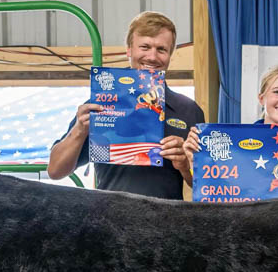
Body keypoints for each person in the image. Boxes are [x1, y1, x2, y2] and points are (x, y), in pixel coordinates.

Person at [46, 11, 203, 199]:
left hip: (165, 224)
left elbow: (205, 186)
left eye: (161, 49)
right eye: (144, 47)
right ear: (129, 50)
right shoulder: (99, 105)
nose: (152, 57)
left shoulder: (189, 110)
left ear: (170, 55)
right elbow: (55, 171)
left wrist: (185, 166)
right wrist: (80, 130)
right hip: (110, 221)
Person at [185, 64, 278, 193]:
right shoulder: (233, 144)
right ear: (262, 98)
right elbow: (214, 191)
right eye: (277, 91)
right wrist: (195, 161)